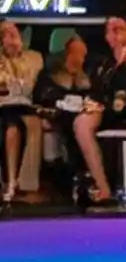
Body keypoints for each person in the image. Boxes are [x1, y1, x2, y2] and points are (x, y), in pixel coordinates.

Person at [34, 35, 108, 200]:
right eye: (76, 53)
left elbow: (99, 99)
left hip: (84, 116)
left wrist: (86, 104)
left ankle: (96, 183)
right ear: (66, 53)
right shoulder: (49, 75)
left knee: (82, 126)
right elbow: (42, 96)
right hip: (60, 117)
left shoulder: (89, 75)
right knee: (47, 126)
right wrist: (62, 102)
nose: (79, 58)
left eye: (82, 54)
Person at [0, 19, 44, 202]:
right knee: (11, 126)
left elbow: (30, 83)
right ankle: (11, 182)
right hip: (3, 105)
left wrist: (17, 62)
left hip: (24, 105)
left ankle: (14, 183)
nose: (10, 39)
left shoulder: (34, 58)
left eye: (13, 34)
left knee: (17, 124)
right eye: (5, 35)